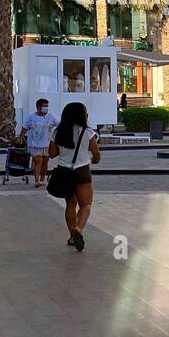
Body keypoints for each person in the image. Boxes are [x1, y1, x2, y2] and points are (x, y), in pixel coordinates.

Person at [48, 102, 101, 252]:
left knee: (70, 205)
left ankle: (72, 235)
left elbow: (52, 154)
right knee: (85, 205)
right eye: (86, 112)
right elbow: (96, 154)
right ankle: (78, 229)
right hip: (82, 170)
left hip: (64, 171)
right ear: (81, 115)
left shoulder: (57, 131)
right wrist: (95, 160)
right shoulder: (88, 132)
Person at [18, 98, 59, 187]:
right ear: (38, 107)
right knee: (37, 160)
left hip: (46, 144)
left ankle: (42, 178)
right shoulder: (31, 117)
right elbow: (25, 128)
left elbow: (59, 125)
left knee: (45, 161)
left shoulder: (50, 117)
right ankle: (37, 180)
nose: (46, 108)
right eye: (44, 106)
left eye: (47, 106)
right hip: (34, 144)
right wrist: (20, 138)